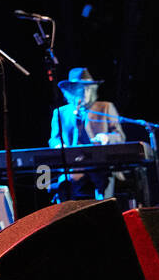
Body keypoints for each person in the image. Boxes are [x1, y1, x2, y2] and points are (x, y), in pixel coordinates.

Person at [48, 67, 125, 200]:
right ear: (71, 91)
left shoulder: (105, 107)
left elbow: (119, 136)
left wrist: (106, 137)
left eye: (88, 88)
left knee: (103, 180)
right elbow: (54, 139)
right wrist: (59, 147)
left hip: (101, 165)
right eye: (80, 88)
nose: (84, 92)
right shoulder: (61, 113)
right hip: (74, 166)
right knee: (64, 186)